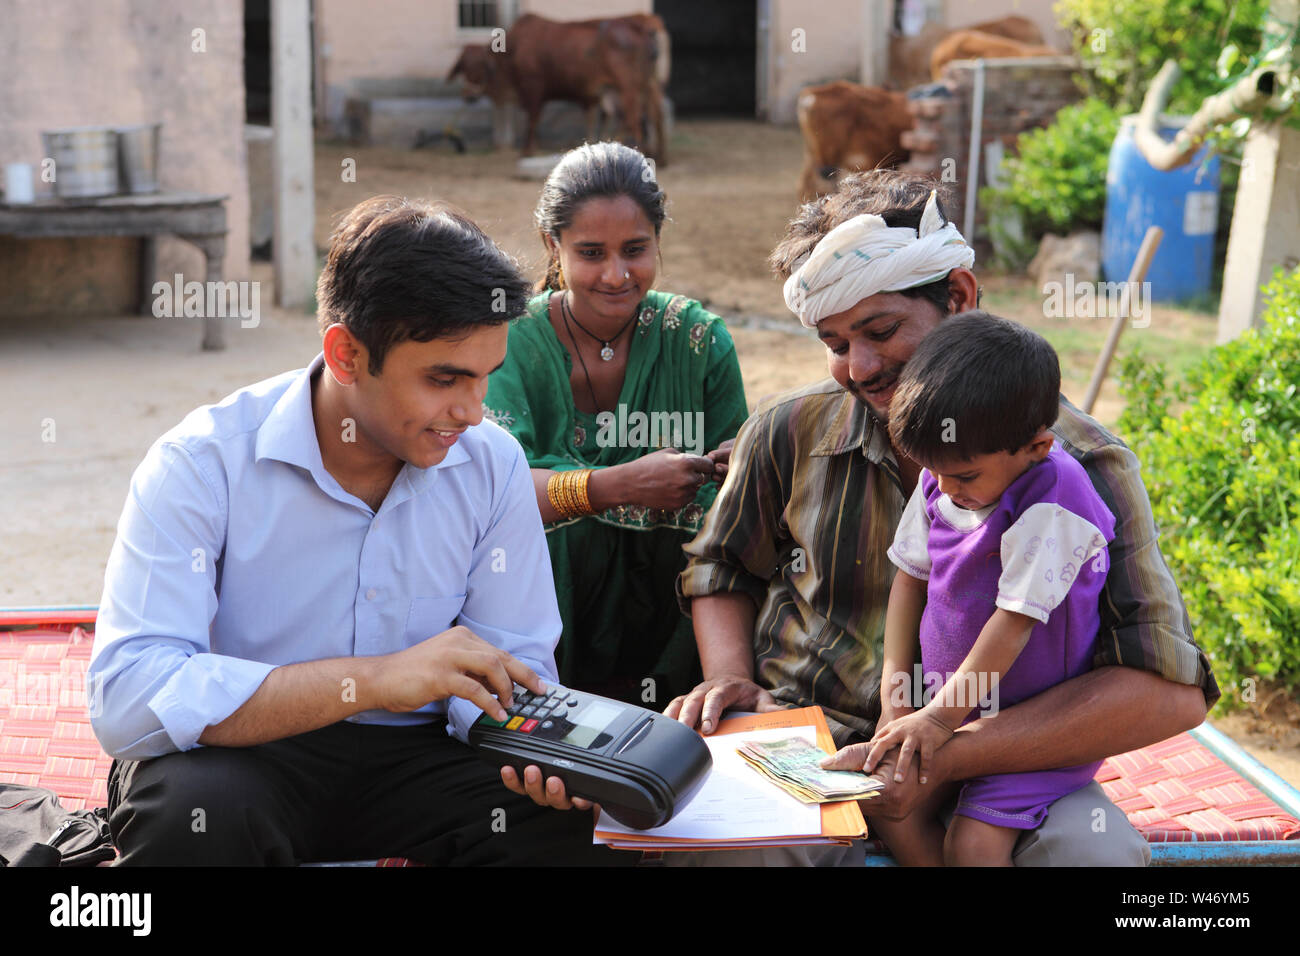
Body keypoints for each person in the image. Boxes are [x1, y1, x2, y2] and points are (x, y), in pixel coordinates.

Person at [667, 172, 1219, 866]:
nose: (858, 368)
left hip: (1010, 762)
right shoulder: (786, 429)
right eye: (835, 343)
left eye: (880, 330)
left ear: (958, 295)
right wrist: (727, 674)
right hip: (811, 748)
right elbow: (719, 565)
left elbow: (1169, 691)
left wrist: (943, 752)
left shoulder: (1083, 468)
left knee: (1093, 858)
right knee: (725, 857)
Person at [89, 196, 623, 866]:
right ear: (346, 354)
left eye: (486, 379)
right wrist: (373, 680)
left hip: (421, 759)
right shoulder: (202, 465)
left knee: (571, 830)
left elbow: (513, 665)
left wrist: (537, 749)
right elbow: (129, 697)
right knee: (191, 820)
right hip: (243, 753)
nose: (471, 411)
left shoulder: (491, 464)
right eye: (444, 379)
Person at [483, 141, 748, 708]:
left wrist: (738, 465)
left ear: (658, 240)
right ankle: (544, 699)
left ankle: (703, 690)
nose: (616, 274)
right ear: (553, 247)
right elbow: (491, 494)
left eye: (635, 249)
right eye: (591, 252)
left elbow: (741, 496)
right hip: (539, 623)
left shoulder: (698, 341)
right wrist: (615, 487)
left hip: (676, 624)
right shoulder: (510, 344)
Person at [865, 311, 1116, 866]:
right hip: (952, 713)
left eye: (964, 477)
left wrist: (936, 720)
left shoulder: (1054, 497)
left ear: (1037, 447)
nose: (946, 489)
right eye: (933, 472)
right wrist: (896, 697)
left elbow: (1013, 622)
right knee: (884, 802)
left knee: (973, 843)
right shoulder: (945, 473)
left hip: (1029, 733)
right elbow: (911, 579)